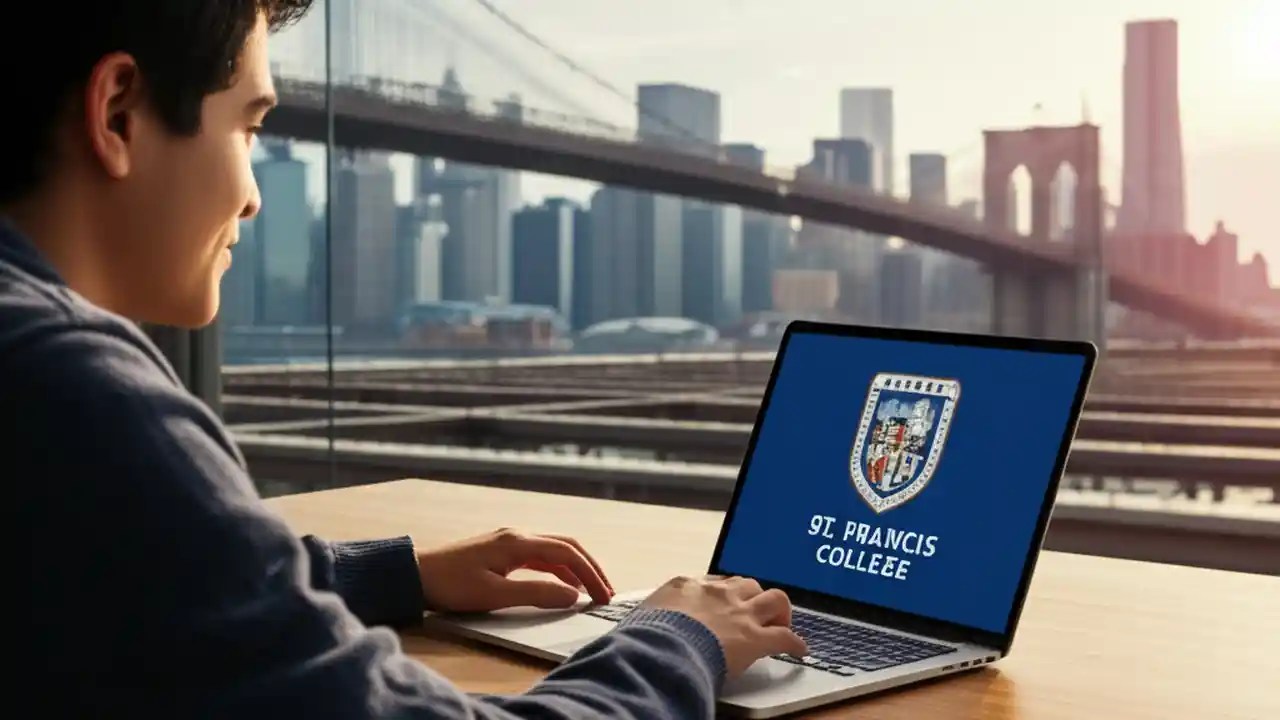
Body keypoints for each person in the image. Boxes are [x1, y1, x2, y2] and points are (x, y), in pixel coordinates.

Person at [4, 1, 806, 716]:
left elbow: (129, 571)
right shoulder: (81, 399)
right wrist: (678, 636)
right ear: (117, 115)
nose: (253, 196)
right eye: (249, 126)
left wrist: (393, 576)